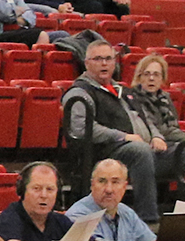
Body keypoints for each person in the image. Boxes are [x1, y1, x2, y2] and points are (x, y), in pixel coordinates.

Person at [64, 40, 162, 223]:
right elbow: (80, 129)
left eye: (109, 59)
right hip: (103, 152)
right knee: (140, 152)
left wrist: (156, 136)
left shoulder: (124, 91)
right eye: (98, 59)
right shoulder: (79, 92)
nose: (104, 63)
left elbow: (147, 118)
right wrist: (123, 136)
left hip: (142, 147)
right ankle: (149, 221)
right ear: (87, 63)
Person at [126, 53, 185, 168]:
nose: (151, 78)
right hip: (148, 151)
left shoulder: (165, 98)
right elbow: (163, 130)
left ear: (162, 78)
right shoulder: (132, 98)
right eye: (147, 74)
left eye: (156, 74)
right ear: (139, 77)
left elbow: (173, 129)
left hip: (168, 145)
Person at [65, 158, 155, 241]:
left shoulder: (128, 213)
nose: (109, 189)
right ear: (92, 185)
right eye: (102, 181)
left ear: (124, 187)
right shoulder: (78, 214)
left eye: (115, 182)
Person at [0, 162, 74, 241]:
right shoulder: (8, 219)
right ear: (22, 191)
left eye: (50, 189)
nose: (44, 195)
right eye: (36, 188)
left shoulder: (61, 221)